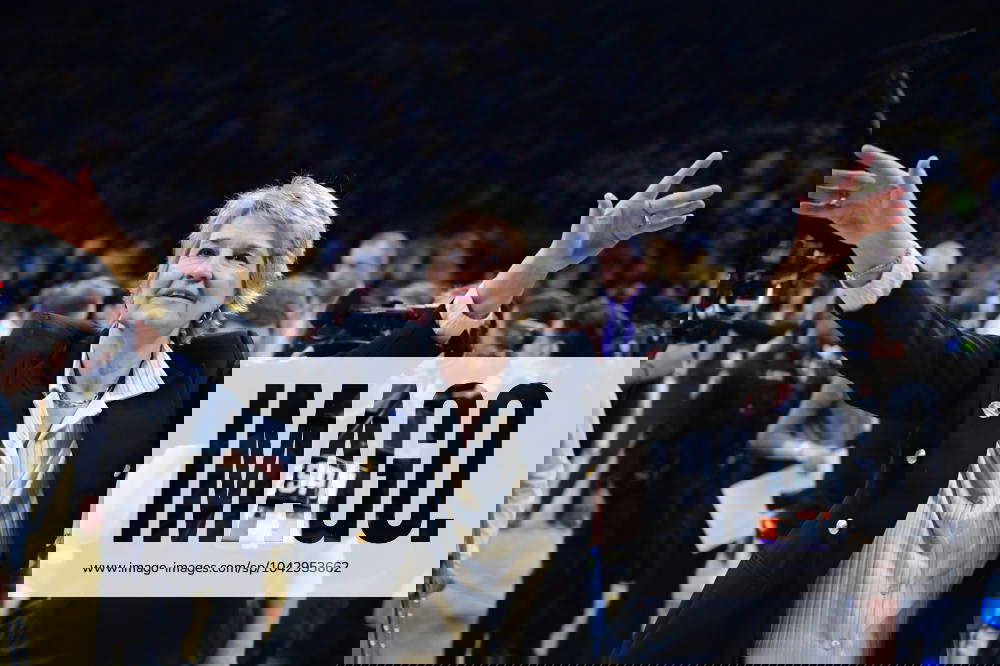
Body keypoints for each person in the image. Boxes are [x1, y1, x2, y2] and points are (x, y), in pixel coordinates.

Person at [0, 157, 723, 663]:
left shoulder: (268, 366)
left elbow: (437, 323)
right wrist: (97, 240)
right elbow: (151, 316)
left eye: (239, 260)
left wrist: (568, 251)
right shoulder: (85, 348)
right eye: (207, 247)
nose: (209, 267)